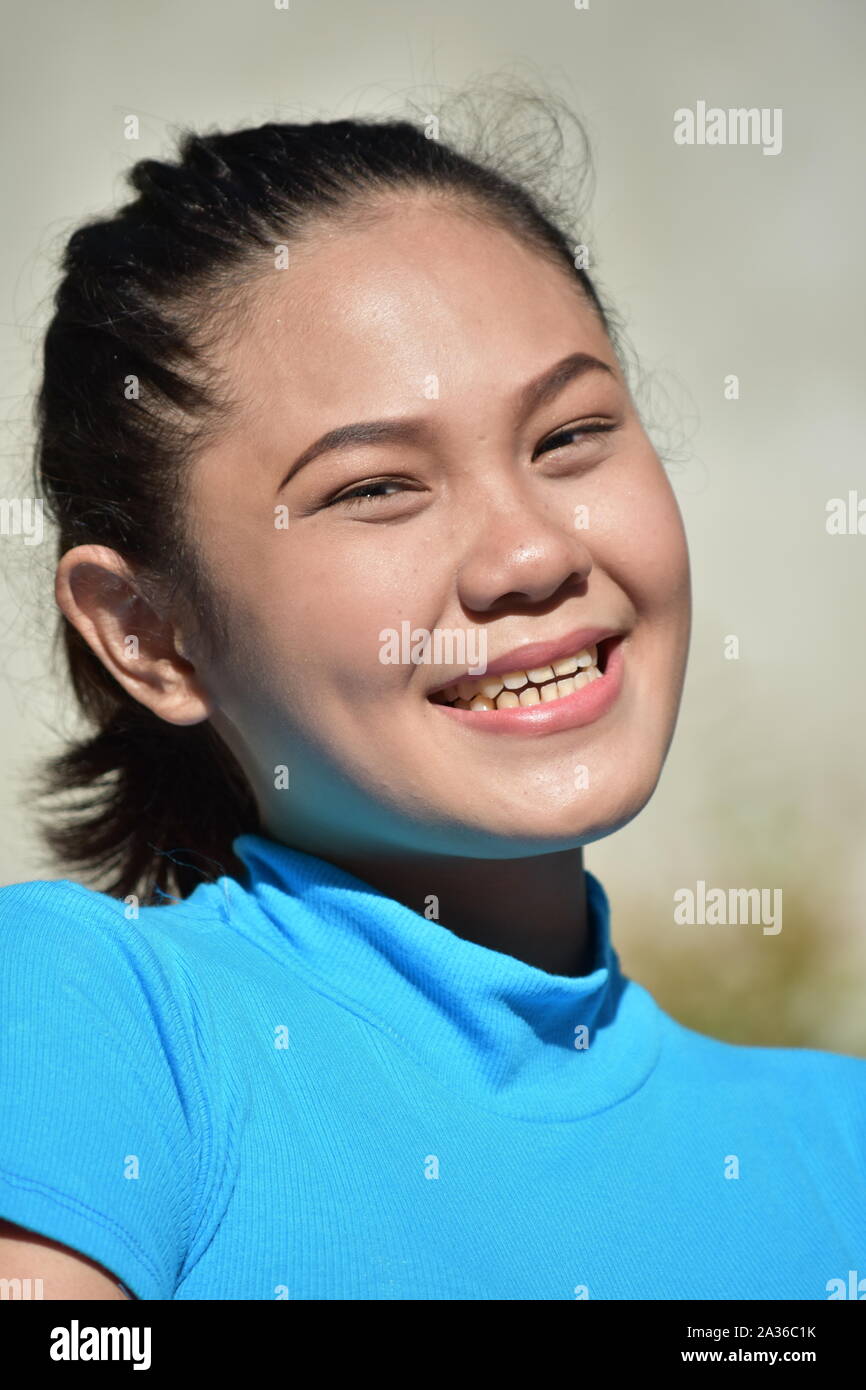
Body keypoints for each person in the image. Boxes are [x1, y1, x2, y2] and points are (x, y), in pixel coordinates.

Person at [1, 101, 863, 1301]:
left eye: (567, 435)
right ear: (153, 635)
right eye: (376, 489)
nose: (527, 552)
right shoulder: (96, 1019)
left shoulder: (840, 1148)